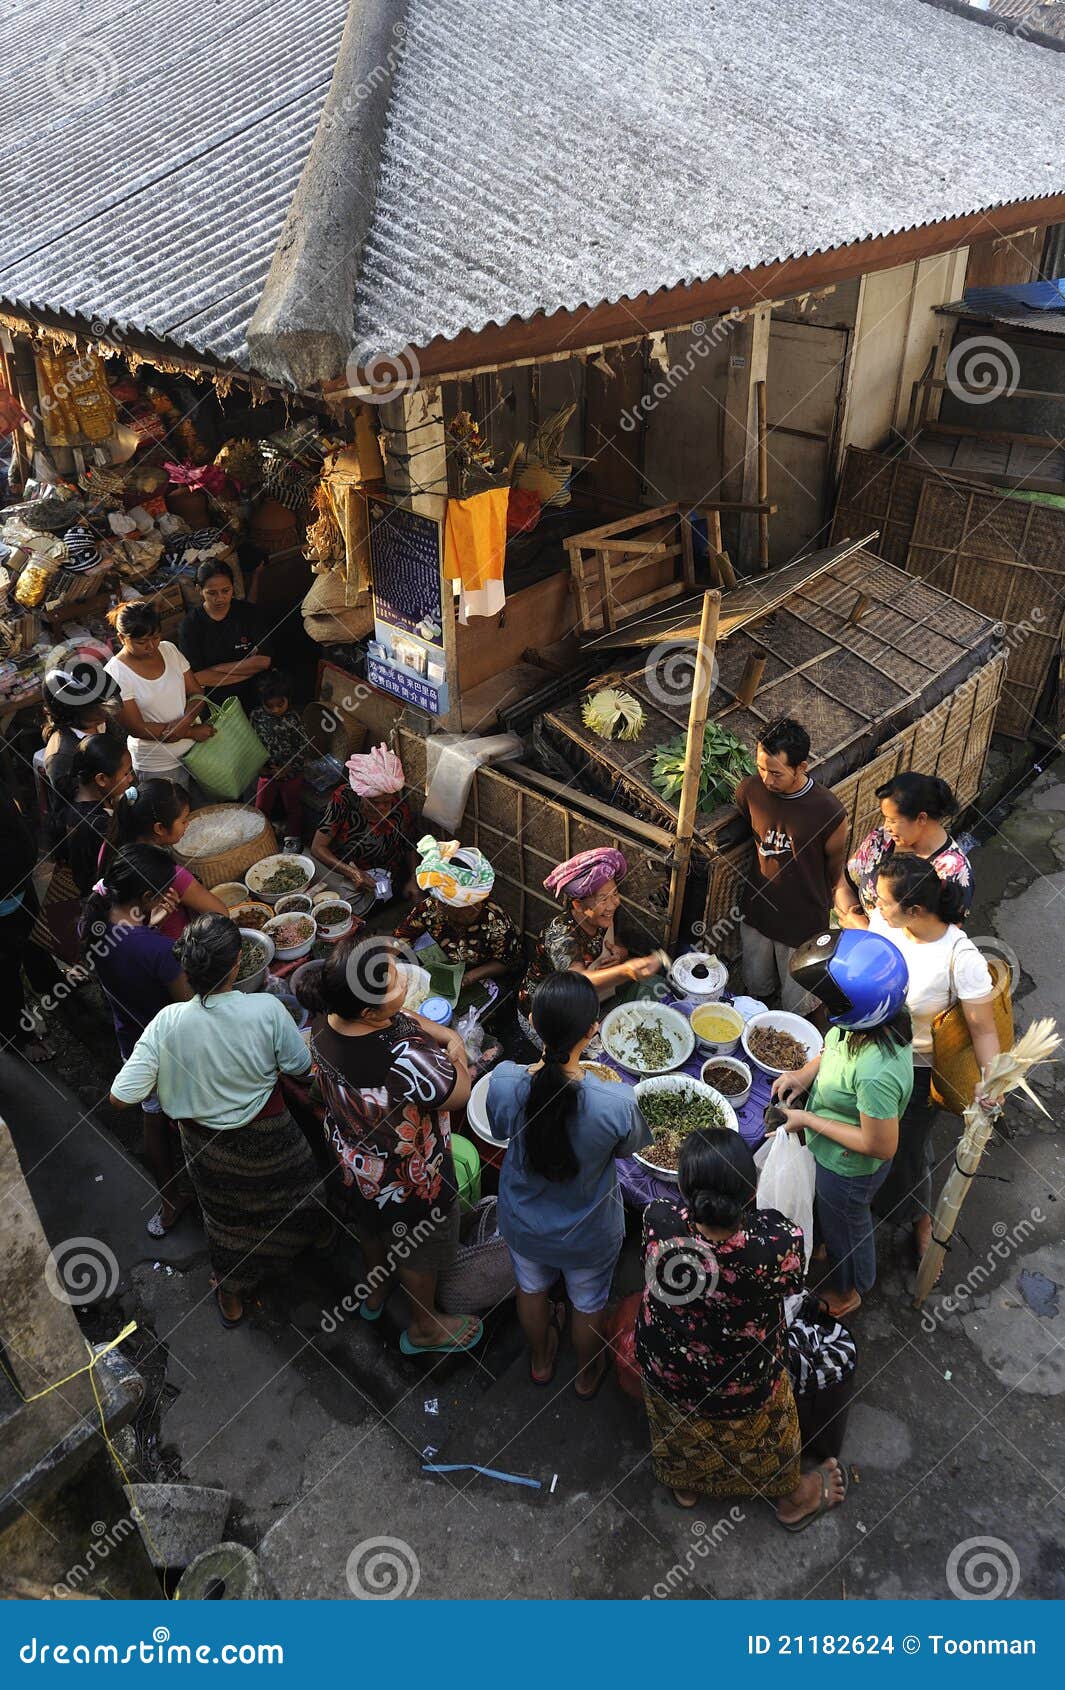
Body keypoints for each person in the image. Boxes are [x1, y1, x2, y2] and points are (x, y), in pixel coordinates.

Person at [110, 914, 329, 1323]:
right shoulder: (265, 1010)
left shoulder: (166, 1024)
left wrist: (174, 1079)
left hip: (206, 1148)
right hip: (270, 1134)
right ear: (236, 966)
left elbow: (121, 1097)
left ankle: (232, 1298)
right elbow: (302, 1069)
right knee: (297, 1187)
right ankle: (313, 1239)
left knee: (228, 1222)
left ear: (187, 971)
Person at [635, 1128, 847, 1525]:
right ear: (752, 1193)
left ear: (683, 1188)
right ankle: (792, 1498)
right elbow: (792, 1285)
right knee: (773, 1428)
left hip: (667, 1366)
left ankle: (686, 1485)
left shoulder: (659, 1222)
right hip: (743, 1378)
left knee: (679, 1421)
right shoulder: (777, 1245)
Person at [297, 935, 482, 1354]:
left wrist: (436, 1029)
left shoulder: (327, 1020)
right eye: (395, 981)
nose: (402, 981)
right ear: (368, 1010)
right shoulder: (407, 1060)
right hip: (408, 1179)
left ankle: (376, 1289)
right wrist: (455, 1050)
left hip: (354, 1163)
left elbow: (404, 1020)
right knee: (419, 1246)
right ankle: (424, 1327)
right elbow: (459, 1093)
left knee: (370, 1224)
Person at [488, 972, 650, 1395]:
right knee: (588, 1302)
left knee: (532, 1288)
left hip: (524, 1222)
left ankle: (540, 1362)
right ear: (592, 1031)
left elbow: (500, 1127)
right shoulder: (615, 1102)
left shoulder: (506, 1082)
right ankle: (586, 1375)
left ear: (533, 1024)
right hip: (588, 1233)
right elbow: (627, 1149)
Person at [773, 929, 913, 1319]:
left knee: (848, 1229)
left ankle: (851, 1288)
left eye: (827, 997)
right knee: (832, 1216)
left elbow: (881, 1145)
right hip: (829, 1151)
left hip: (850, 1168)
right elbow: (831, 1045)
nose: (820, 1002)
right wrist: (804, 1074)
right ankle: (824, 1245)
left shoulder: (875, 1073)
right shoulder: (869, 1022)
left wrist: (806, 1120)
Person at [868, 853, 999, 1258]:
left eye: (884, 902)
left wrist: (992, 1080)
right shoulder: (884, 924)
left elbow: (983, 1028)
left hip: (917, 1071)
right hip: (869, 1051)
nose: (875, 907)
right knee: (866, 1136)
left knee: (904, 1150)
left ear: (916, 910)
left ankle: (915, 1218)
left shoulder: (961, 958)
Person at [86, 846, 193, 1236]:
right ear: (147, 898)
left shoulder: (95, 923)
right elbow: (190, 1005)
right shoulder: (161, 952)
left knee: (153, 1118)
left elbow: (131, 954)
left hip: (133, 1039)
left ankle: (168, 1199)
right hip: (173, 1049)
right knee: (188, 1116)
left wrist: (150, 922)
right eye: (160, 893)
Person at [732, 717, 848, 1013]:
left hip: (802, 926)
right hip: (758, 916)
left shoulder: (828, 811)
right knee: (756, 990)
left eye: (776, 773)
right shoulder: (750, 791)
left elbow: (835, 865)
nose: (767, 779)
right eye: (761, 768)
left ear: (801, 767)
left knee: (795, 1006)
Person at [518, 848, 663, 1044]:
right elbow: (578, 980)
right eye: (603, 899)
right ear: (578, 905)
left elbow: (613, 939)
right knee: (596, 1054)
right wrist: (628, 969)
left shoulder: (600, 918)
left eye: (615, 894)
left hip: (586, 1004)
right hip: (547, 1016)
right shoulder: (560, 934)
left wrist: (621, 952)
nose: (613, 904)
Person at [28, 734, 134, 971]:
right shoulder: (95, 826)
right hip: (97, 901)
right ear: (102, 779)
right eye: (126, 773)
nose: (131, 778)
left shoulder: (73, 789)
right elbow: (102, 875)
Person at [837, 772, 973, 926]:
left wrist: (862, 930)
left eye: (893, 820)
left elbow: (934, 940)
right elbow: (845, 883)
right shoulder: (881, 839)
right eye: (885, 818)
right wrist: (849, 914)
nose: (886, 826)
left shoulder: (952, 872)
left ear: (921, 818)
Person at [104, 601, 214, 788]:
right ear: (121, 638)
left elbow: (196, 692)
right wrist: (191, 731)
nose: (151, 646)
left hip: (196, 751)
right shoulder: (114, 674)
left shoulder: (169, 649)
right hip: (157, 764)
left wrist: (185, 720)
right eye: (141, 642)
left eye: (155, 637)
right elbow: (137, 728)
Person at [394, 836, 524, 986]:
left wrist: (469, 978)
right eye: (440, 901)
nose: (438, 906)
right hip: (446, 965)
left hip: (482, 978)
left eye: (445, 903)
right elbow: (402, 936)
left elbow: (508, 961)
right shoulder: (431, 907)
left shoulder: (497, 923)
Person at [111, 779, 227, 940]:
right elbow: (221, 913)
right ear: (159, 828)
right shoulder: (171, 875)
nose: (188, 824)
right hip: (175, 948)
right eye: (183, 820)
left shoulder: (111, 845)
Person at [0, 787, 62, 1062]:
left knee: (34, 937)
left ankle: (50, 982)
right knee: (5, 973)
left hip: (20, 884)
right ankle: (18, 1035)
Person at [312, 743, 417, 899]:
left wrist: (414, 879)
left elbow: (409, 846)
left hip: (387, 878)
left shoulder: (399, 810)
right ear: (361, 795)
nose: (381, 808)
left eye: (386, 801)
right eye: (374, 802)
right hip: (346, 872)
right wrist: (352, 872)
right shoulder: (344, 799)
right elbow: (318, 847)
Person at [177, 560, 271, 709]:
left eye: (226, 591)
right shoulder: (190, 626)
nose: (220, 598)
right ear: (199, 590)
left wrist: (216, 668)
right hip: (219, 704)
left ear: (233, 587)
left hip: (256, 694)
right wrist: (246, 672)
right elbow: (197, 677)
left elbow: (263, 662)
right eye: (212, 593)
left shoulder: (249, 613)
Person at [40, 665, 116, 841]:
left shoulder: (100, 723)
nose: (104, 709)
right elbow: (76, 811)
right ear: (72, 711)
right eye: (96, 706)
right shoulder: (62, 756)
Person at [250, 672, 306, 848]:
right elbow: (250, 743)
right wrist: (260, 768)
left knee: (293, 808)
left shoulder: (294, 718)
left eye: (280, 705)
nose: (275, 710)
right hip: (266, 773)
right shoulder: (257, 716)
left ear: (287, 699)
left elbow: (303, 746)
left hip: (291, 774)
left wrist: (289, 768)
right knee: (261, 809)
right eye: (270, 706)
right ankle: (262, 839)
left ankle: (292, 840)